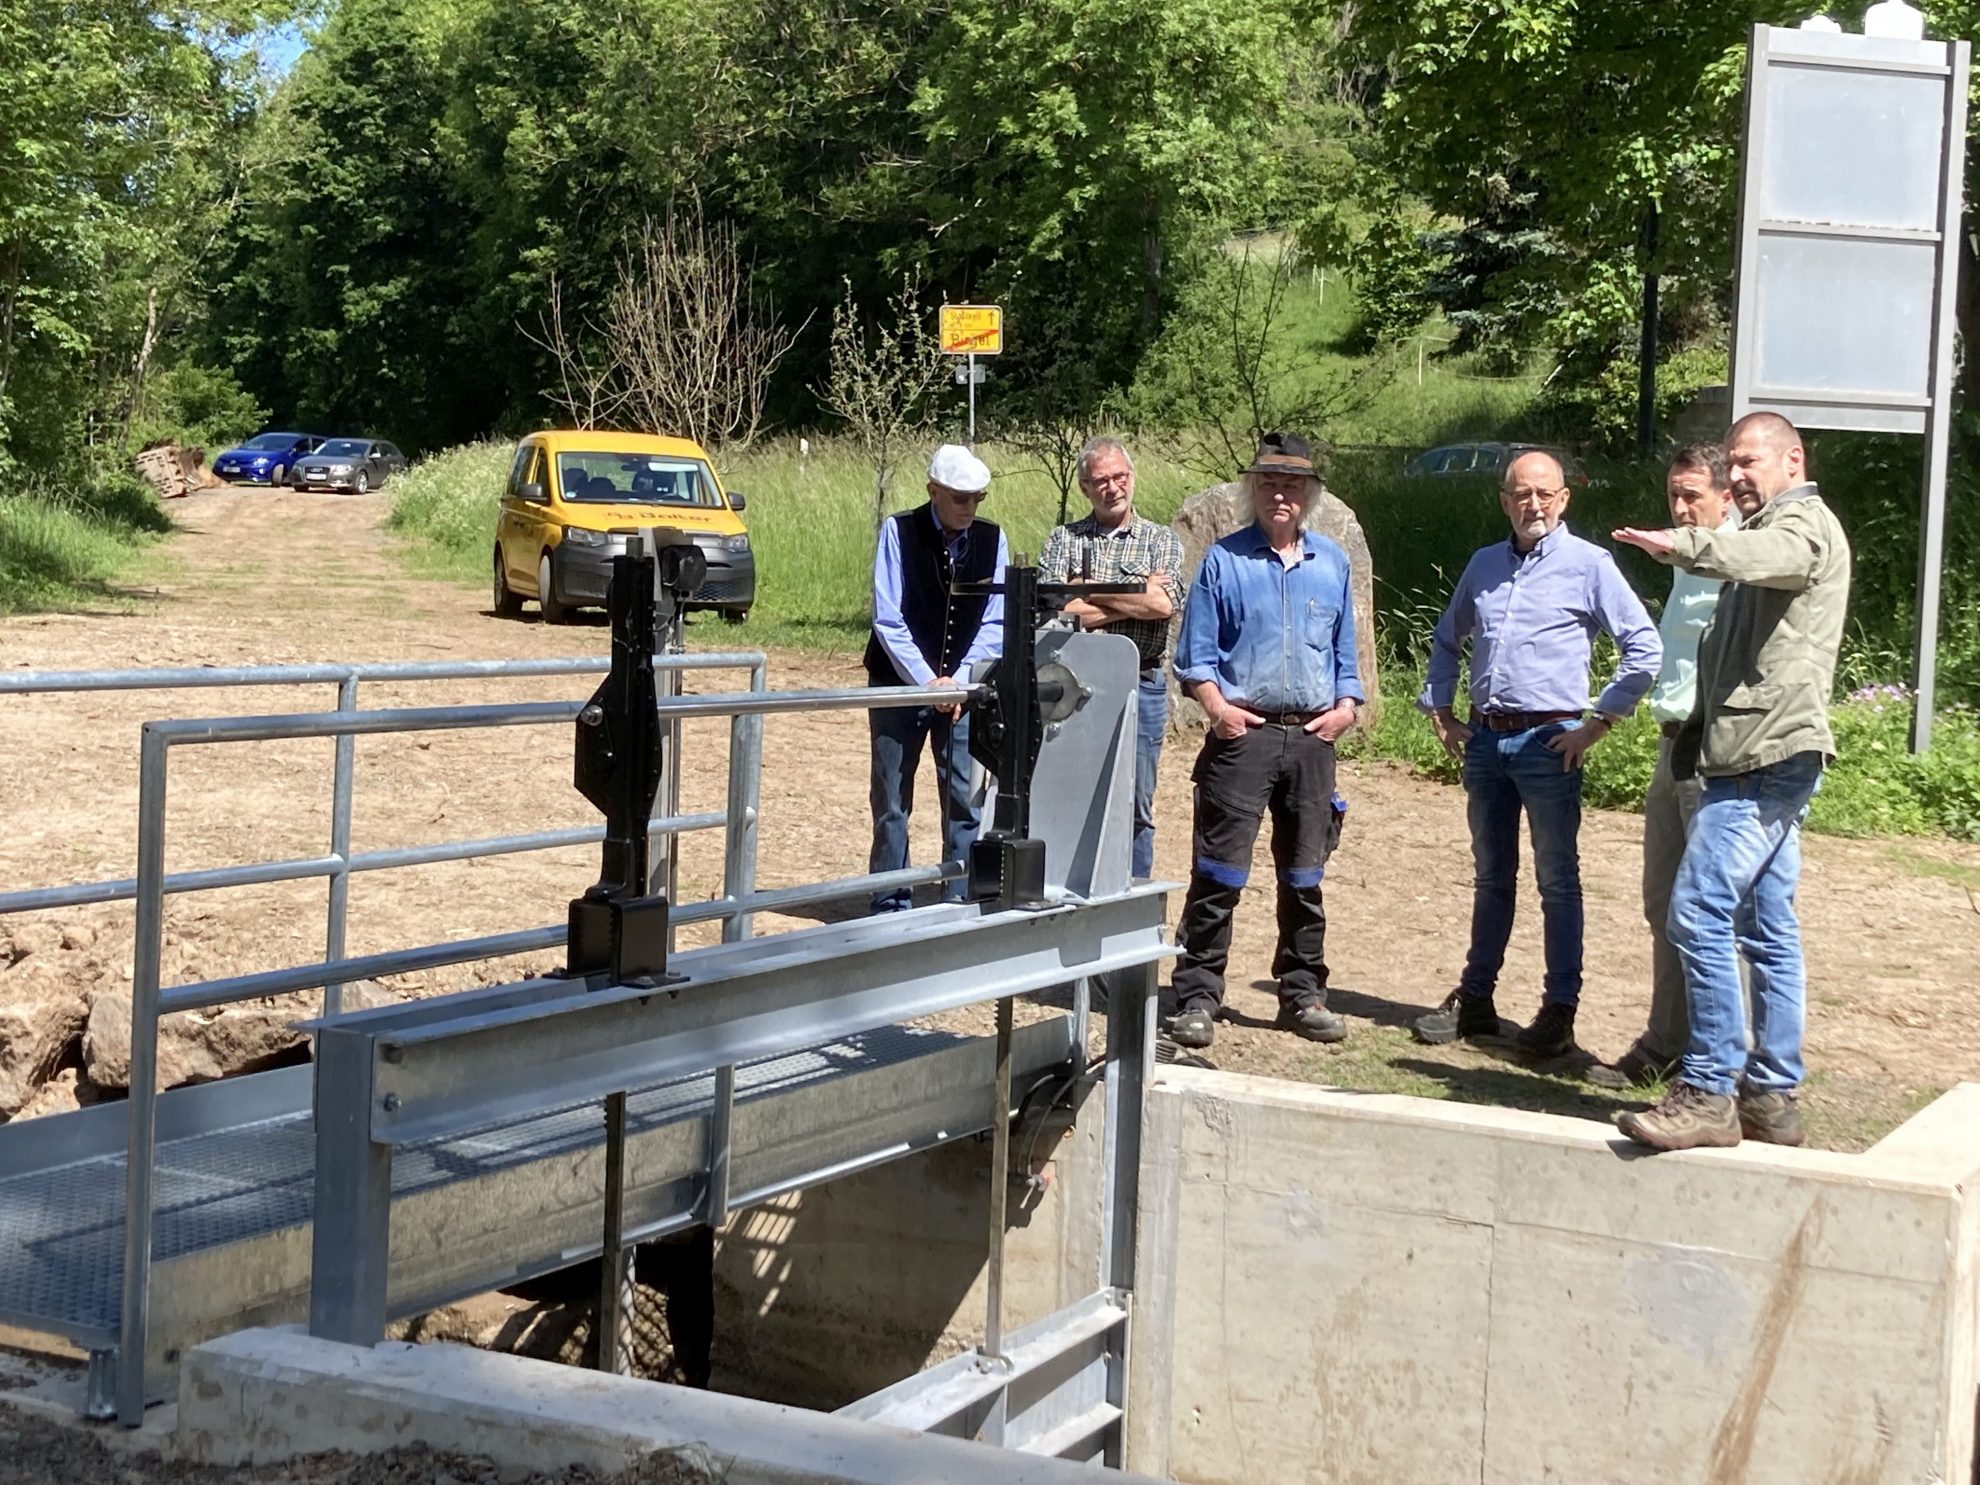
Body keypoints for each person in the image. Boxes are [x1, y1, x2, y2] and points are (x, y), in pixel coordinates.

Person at [1612, 412, 1851, 1150]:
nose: (1739, 474)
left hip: (1763, 756)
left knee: (1697, 909)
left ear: (1792, 459)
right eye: (1735, 463)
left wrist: (1682, 542)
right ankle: (1770, 1094)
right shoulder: (1772, 525)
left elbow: (1763, 556)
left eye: (1750, 462)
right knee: (1766, 927)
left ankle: (1710, 1088)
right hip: (1750, 750)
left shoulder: (1801, 524)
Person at [1413, 449, 1662, 1058]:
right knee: (1492, 876)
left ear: (1564, 499)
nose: (1534, 505)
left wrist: (1597, 724)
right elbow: (1447, 640)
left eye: (1545, 494)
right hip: (1486, 741)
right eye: (1521, 495)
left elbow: (1644, 648)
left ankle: (1559, 1010)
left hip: (1551, 744)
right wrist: (1441, 713)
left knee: (1558, 880)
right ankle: (1476, 1000)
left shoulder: (1590, 565)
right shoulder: (1484, 565)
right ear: (1504, 501)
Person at [1167, 432, 1363, 1049]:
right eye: (1270, 483)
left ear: (1309, 494)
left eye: (1293, 485)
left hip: (1311, 739)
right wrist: (1218, 709)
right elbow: (1194, 656)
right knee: (1218, 873)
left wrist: (1347, 709)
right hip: (1241, 737)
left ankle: (1302, 994)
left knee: (1305, 876)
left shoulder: (1331, 563)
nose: (1282, 494)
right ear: (1254, 489)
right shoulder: (1224, 562)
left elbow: (1345, 653)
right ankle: (1197, 995)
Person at [1588, 445, 1742, 1090]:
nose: (1680, 508)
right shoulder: (1685, 557)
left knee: (1712, 912)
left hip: (1717, 750)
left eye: (1693, 496)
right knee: (1663, 903)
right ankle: (1667, 1042)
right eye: (1673, 495)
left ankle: (1719, 1064)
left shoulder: (1743, 559)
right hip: (1671, 743)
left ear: (1726, 497)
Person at [863, 444, 1010, 912]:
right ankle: (889, 900)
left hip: (962, 691)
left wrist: (961, 680)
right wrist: (928, 680)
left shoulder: (993, 539)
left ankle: (960, 895)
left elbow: (996, 618)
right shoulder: (898, 531)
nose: (969, 507)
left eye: (977, 498)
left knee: (964, 800)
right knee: (891, 800)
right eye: (960, 497)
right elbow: (888, 617)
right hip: (898, 684)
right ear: (933, 491)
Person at [1038, 436, 1186, 880]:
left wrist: (1086, 588)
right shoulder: (1063, 540)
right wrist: (1135, 589)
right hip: (1069, 684)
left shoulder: (1161, 540)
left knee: (1135, 799)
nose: (1113, 488)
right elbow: (1052, 608)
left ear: (1132, 478)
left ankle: (1133, 892)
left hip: (1141, 683)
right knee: (1069, 789)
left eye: (1120, 477)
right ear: (1084, 487)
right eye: (1101, 480)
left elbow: (1164, 606)